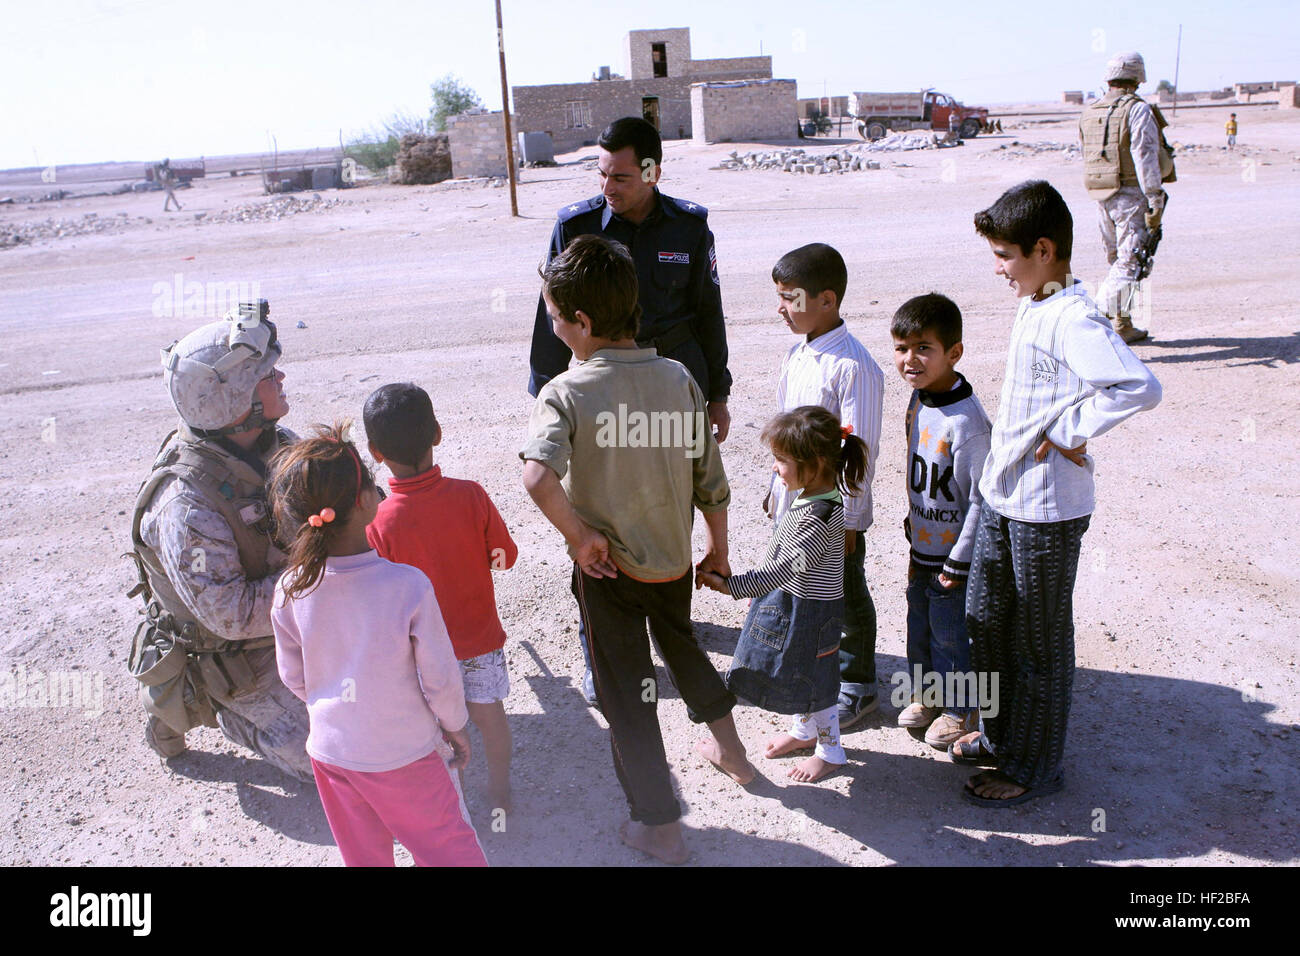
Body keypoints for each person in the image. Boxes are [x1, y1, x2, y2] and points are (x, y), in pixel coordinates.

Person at [520, 234, 753, 864]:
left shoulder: (567, 393)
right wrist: (718, 550)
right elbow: (712, 476)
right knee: (683, 647)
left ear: (583, 322)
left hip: (609, 572)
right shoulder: (678, 378)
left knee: (628, 695)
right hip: (673, 562)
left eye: (555, 317)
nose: (553, 327)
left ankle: (659, 826)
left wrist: (580, 537)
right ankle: (732, 749)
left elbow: (538, 476)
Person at [964, 180, 1161, 805]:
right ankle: (1000, 738)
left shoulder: (1075, 316)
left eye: (1005, 256)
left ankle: (1033, 767)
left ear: (1044, 249)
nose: (998, 268)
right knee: (989, 622)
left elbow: (1138, 386)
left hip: (1047, 507)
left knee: (1039, 641)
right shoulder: (1037, 301)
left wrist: (1069, 429)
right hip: (1005, 495)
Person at [528, 116, 733, 706]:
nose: (608, 188)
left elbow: (708, 311)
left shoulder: (690, 229)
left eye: (619, 176)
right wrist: (548, 394)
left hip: (672, 383)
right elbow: (552, 316)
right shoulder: (575, 226)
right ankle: (607, 652)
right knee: (598, 513)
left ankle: (669, 611)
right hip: (601, 384)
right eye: (601, 175)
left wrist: (715, 392)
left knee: (669, 501)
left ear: (652, 171)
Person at [268, 425, 487, 866]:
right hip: (405, 754)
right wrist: (455, 725)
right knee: (447, 850)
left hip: (332, 753)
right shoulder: (406, 585)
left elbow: (294, 677)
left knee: (365, 859)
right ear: (366, 501)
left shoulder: (290, 588)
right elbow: (440, 677)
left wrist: (340, 711)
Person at [126, 301, 311, 781]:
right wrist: (324, 577)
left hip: (298, 614)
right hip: (240, 654)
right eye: (268, 377)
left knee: (399, 704)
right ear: (235, 405)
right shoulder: (187, 506)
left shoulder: (271, 440)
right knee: (334, 759)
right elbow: (231, 615)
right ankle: (214, 709)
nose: (282, 377)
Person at [363, 383, 519, 813]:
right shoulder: (470, 495)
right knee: (490, 718)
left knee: (442, 731)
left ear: (375, 452)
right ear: (437, 432)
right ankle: (502, 792)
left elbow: (379, 597)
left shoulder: (377, 524)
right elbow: (505, 559)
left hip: (421, 654)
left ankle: (457, 802)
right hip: (480, 642)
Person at [697, 407, 869, 783]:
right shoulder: (811, 499)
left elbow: (787, 568)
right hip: (795, 604)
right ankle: (804, 732)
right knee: (797, 671)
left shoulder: (819, 515)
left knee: (818, 682)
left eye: (781, 460)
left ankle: (830, 751)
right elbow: (782, 555)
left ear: (817, 462)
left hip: (811, 613)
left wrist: (733, 586)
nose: (775, 468)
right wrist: (763, 597)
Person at [767, 243, 884, 730]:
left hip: (833, 516)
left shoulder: (854, 367)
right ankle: (812, 678)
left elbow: (861, 451)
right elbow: (783, 431)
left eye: (790, 297)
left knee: (846, 598)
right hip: (794, 508)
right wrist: (774, 493)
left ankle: (858, 686)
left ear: (827, 300)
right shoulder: (798, 355)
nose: (781, 308)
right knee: (804, 595)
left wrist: (850, 521)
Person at [888, 294, 991, 751]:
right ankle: (928, 696)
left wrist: (960, 559)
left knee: (952, 636)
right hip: (922, 547)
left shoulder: (968, 422)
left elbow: (981, 501)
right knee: (920, 626)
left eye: (923, 348)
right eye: (901, 347)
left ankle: (960, 707)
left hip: (954, 558)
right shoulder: (918, 401)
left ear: (955, 352)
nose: (910, 359)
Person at [1078, 51, 1175, 344]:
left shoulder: (1090, 110)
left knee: (1118, 261)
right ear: (1138, 78)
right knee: (1129, 263)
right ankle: (1090, 323)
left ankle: (1123, 322)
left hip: (1101, 194)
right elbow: (1145, 155)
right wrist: (1154, 197)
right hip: (1131, 195)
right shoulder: (1138, 109)